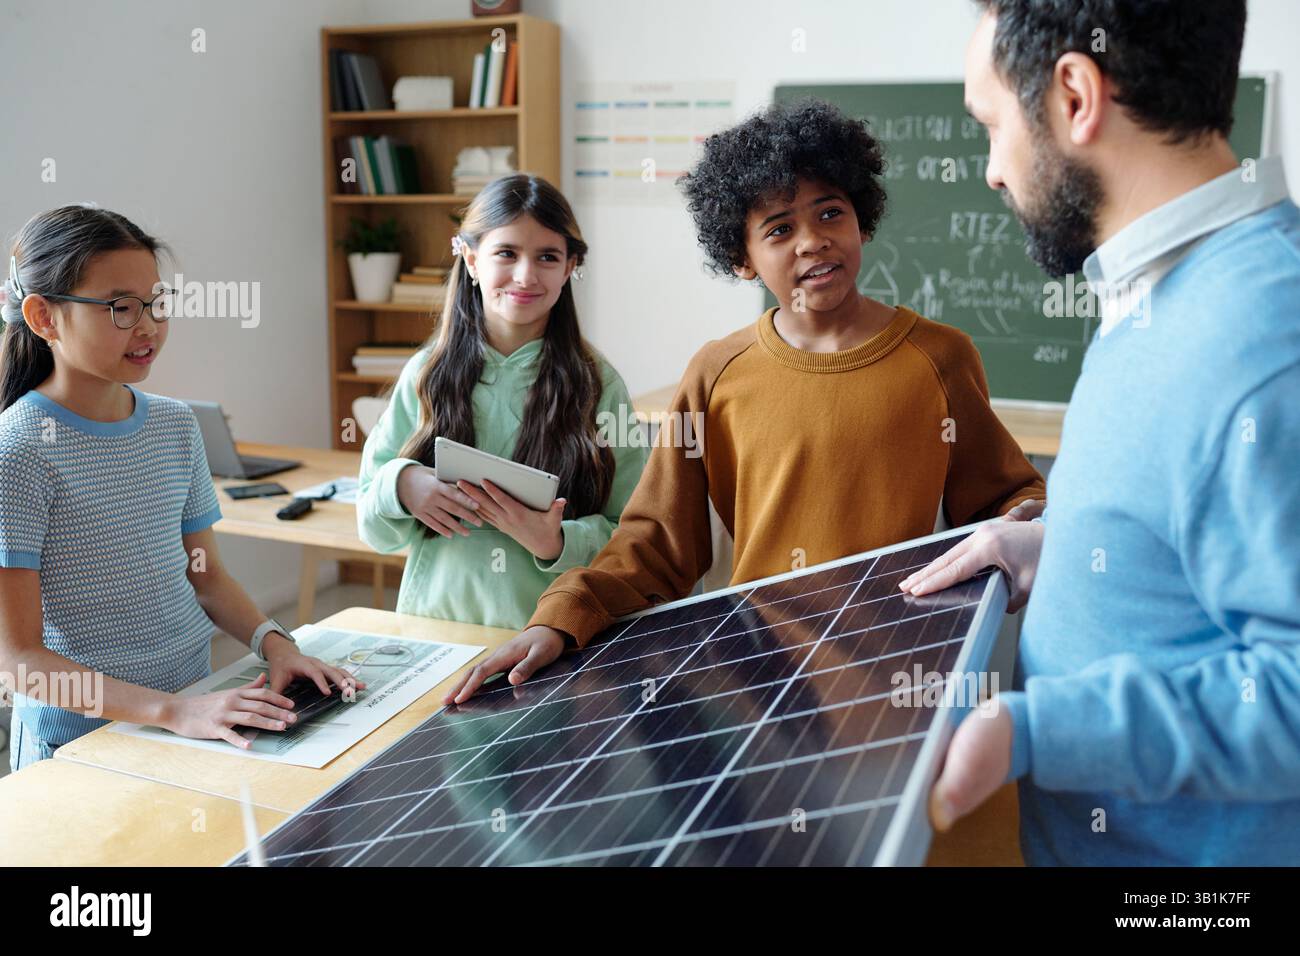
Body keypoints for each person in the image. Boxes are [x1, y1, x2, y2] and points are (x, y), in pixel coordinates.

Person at [446, 100, 1045, 703]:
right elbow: (655, 543)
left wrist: (1026, 520)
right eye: (779, 229)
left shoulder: (940, 358)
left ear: (862, 221)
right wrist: (562, 615)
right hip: (767, 676)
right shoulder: (716, 373)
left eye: (830, 213)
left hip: (902, 665)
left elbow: (1005, 498)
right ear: (741, 258)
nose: (812, 242)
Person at [910, 0, 1300, 865]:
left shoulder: (1263, 338)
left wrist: (1040, 728)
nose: (991, 169)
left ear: (1076, 96)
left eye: (991, 124)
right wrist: (1056, 546)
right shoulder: (1162, 290)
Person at [0, 204, 358, 771]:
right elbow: (18, 660)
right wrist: (171, 711)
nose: (147, 326)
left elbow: (206, 577)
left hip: (190, 711)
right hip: (77, 745)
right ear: (44, 317)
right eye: (120, 307)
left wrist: (276, 644)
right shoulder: (17, 452)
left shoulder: (174, 424)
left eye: (156, 304)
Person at [356, 174, 649, 630]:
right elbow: (373, 529)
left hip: (550, 639)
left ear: (570, 267)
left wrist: (557, 542)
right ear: (471, 260)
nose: (526, 275)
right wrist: (401, 484)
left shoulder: (599, 385)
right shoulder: (424, 375)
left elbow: (635, 536)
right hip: (435, 630)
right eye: (506, 253)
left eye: (547, 257)